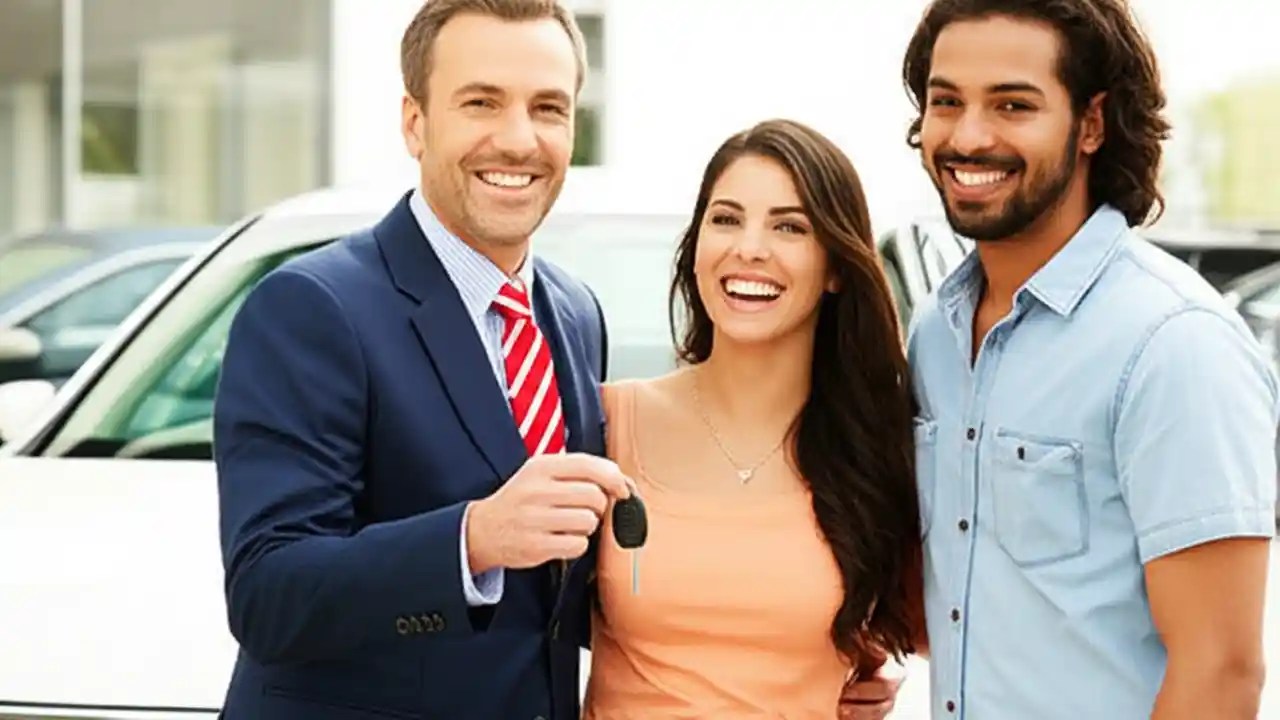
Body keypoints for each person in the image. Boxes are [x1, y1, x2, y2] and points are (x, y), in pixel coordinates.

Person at [854, 1, 1278, 718]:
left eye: (1013, 104)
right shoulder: (938, 330)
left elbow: (1221, 671)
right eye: (946, 101)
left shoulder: (1173, 342)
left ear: (1091, 123)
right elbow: (981, 608)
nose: (969, 135)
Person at [212, 1, 632, 718]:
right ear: (415, 122)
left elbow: (550, 598)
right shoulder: (312, 307)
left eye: (548, 108)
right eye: (481, 103)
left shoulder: (574, 311)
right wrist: (472, 540)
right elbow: (268, 593)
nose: (518, 139)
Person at [580, 118, 924, 719]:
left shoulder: (876, 452)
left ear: (837, 266)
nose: (750, 248)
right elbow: (526, 629)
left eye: (789, 226)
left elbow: (943, 634)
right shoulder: (605, 423)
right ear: (696, 250)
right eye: (726, 219)